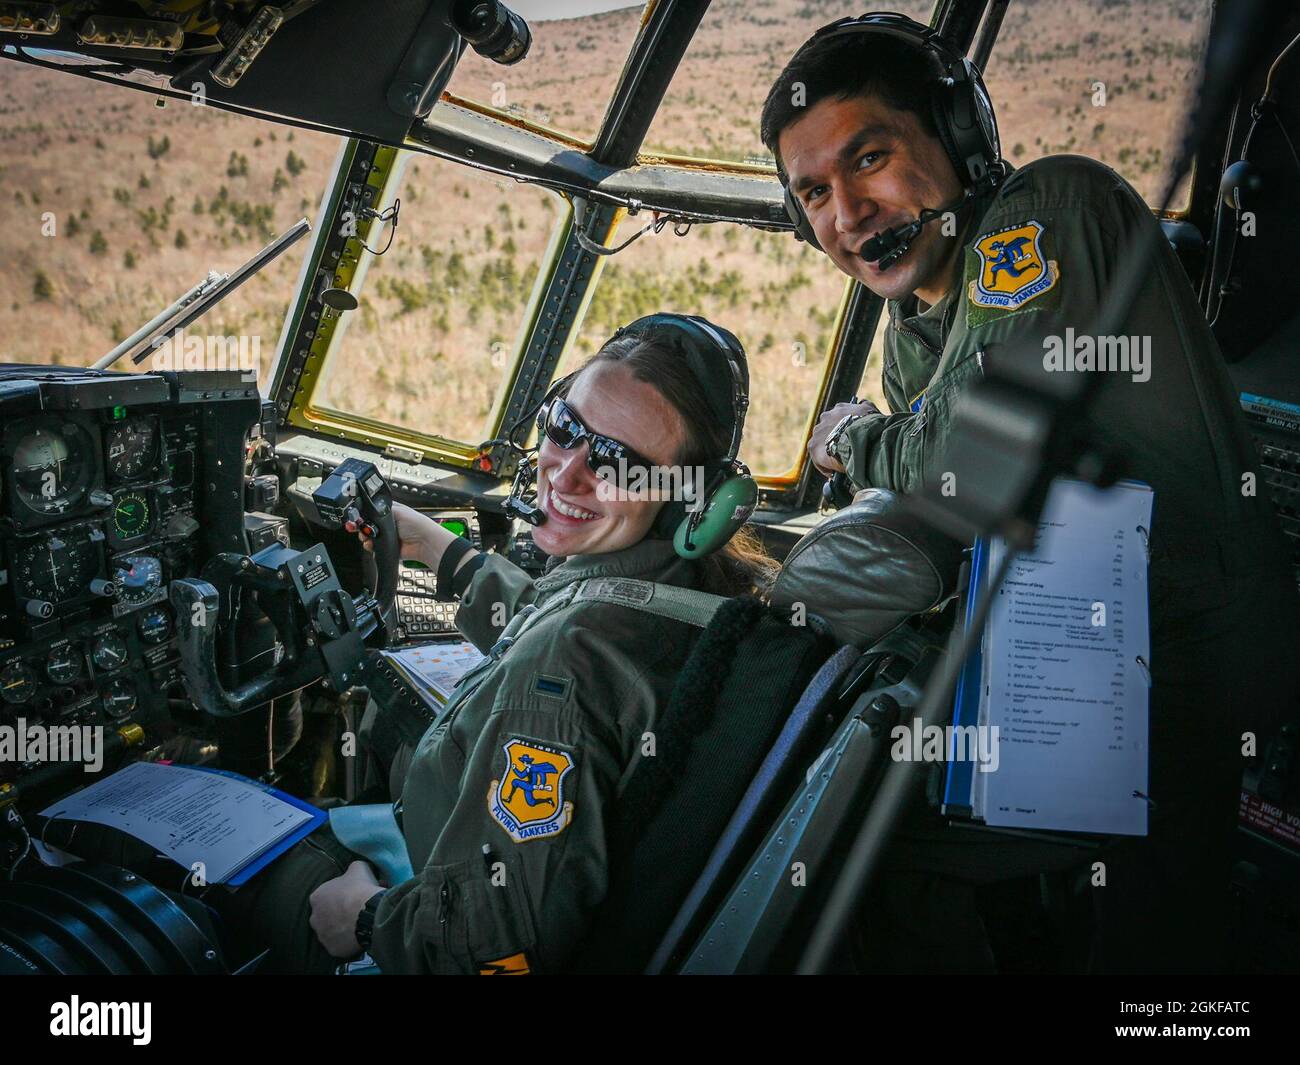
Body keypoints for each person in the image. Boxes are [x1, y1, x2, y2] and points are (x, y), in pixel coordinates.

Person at [760, 14, 1299, 971]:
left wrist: (851, 439)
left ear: (960, 137)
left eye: (871, 158)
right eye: (813, 193)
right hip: (1064, 672)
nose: (846, 212)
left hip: (1173, 685)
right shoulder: (917, 325)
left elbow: (964, 464)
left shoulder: (1045, 211)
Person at [227, 313, 777, 973]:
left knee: (193, 870)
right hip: (446, 862)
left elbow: (503, 946)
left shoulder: (564, 666)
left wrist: (368, 918)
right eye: (567, 428)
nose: (567, 473)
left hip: (418, 919)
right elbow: (566, 612)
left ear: (694, 503)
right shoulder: (680, 592)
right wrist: (439, 550)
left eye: (618, 464)